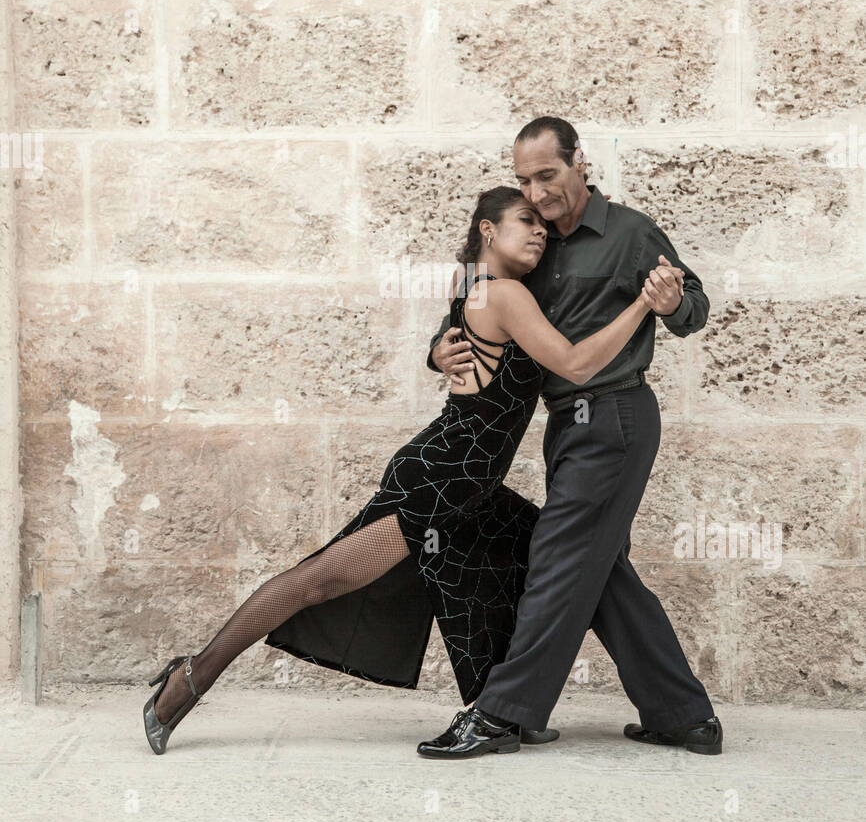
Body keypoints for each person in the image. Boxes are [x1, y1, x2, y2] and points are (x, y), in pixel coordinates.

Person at [142, 185, 663, 755]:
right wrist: (643, 303)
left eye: (543, 222)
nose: (539, 230)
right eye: (525, 219)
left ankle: (505, 709)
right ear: (488, 230)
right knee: (320, 579)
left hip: (471, 482)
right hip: (440, 478)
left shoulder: (471, 281)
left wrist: (436, 352)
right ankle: (189, 678)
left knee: (528, 563)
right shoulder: (506, 293)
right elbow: (574, 364)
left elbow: (462, 339)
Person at [418, 115, 722, 760]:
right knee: (600, 569)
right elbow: (476, 300)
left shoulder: (631, 232)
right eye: (524, 180)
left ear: (579, 161)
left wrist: (670, 301)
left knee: (558, 560)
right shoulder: (530, 239)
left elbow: (693, 308)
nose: (536, 192)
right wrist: (438, 350)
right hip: (564, 424)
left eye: (547, 175)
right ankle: (684, 717)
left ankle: (501, 714)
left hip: (614, 415)